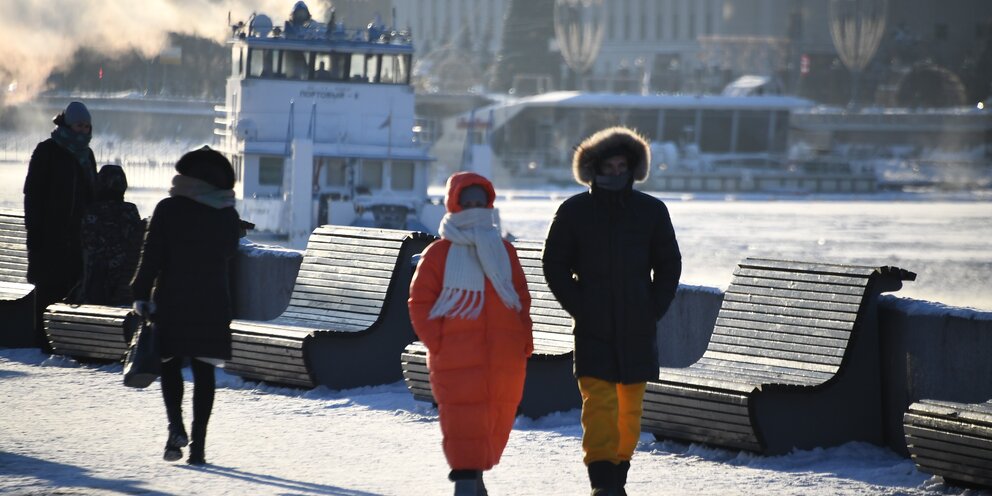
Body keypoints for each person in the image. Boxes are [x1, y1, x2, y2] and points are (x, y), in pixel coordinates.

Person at [541, 126, 682, 496]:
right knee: (599, 406)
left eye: (623, 165)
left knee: (629, 413)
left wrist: (653, 307)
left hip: (638, 327)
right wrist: (580, 307)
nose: (616, 173)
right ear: (593, 168)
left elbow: (669, 265)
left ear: (633, 168)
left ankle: (616, 478)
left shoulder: (651, 211)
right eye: (609, 165)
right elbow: (554, 264)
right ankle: (603, 483)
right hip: (593, 328)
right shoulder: (574, 212)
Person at [408, 172, 533, 496]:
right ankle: (466, 481)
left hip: (504, 357)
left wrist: (523, 340)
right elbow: (420, 302)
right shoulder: (439, 253)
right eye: (468, 203)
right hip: (455, 358)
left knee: (494, 422)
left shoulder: (504, 251)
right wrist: (439, 344)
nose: (475, 209)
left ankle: (474, 481)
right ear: (455, 205)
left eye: (481, 203)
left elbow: (520, 297)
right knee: (462, 424)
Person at [130, 146, 242, 465]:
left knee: (169, 363)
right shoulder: (227, 213)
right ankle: (199, 448)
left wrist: (140, 292)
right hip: (213, 302)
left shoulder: (169, 208)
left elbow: (151, 255)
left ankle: (175, 428)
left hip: (173, 299)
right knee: (204, 372)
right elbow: (229, 250)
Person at [23, 101, 98, 350]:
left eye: (86, 126)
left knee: (72, 287)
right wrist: (35, 233)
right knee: (48, 290)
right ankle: (43, 342)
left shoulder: (87, 156)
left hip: (77, 239)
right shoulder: (47, 151)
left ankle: (66, 342)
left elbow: (91, 194)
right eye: (79, 125)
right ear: (67, 124)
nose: (83, 131)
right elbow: (33, 194)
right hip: (49, 238)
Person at [68, 164, 144, 306]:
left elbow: (86, 250)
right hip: (125, 282)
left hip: (97, 285)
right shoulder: (130, 210)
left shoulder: (93, 211)